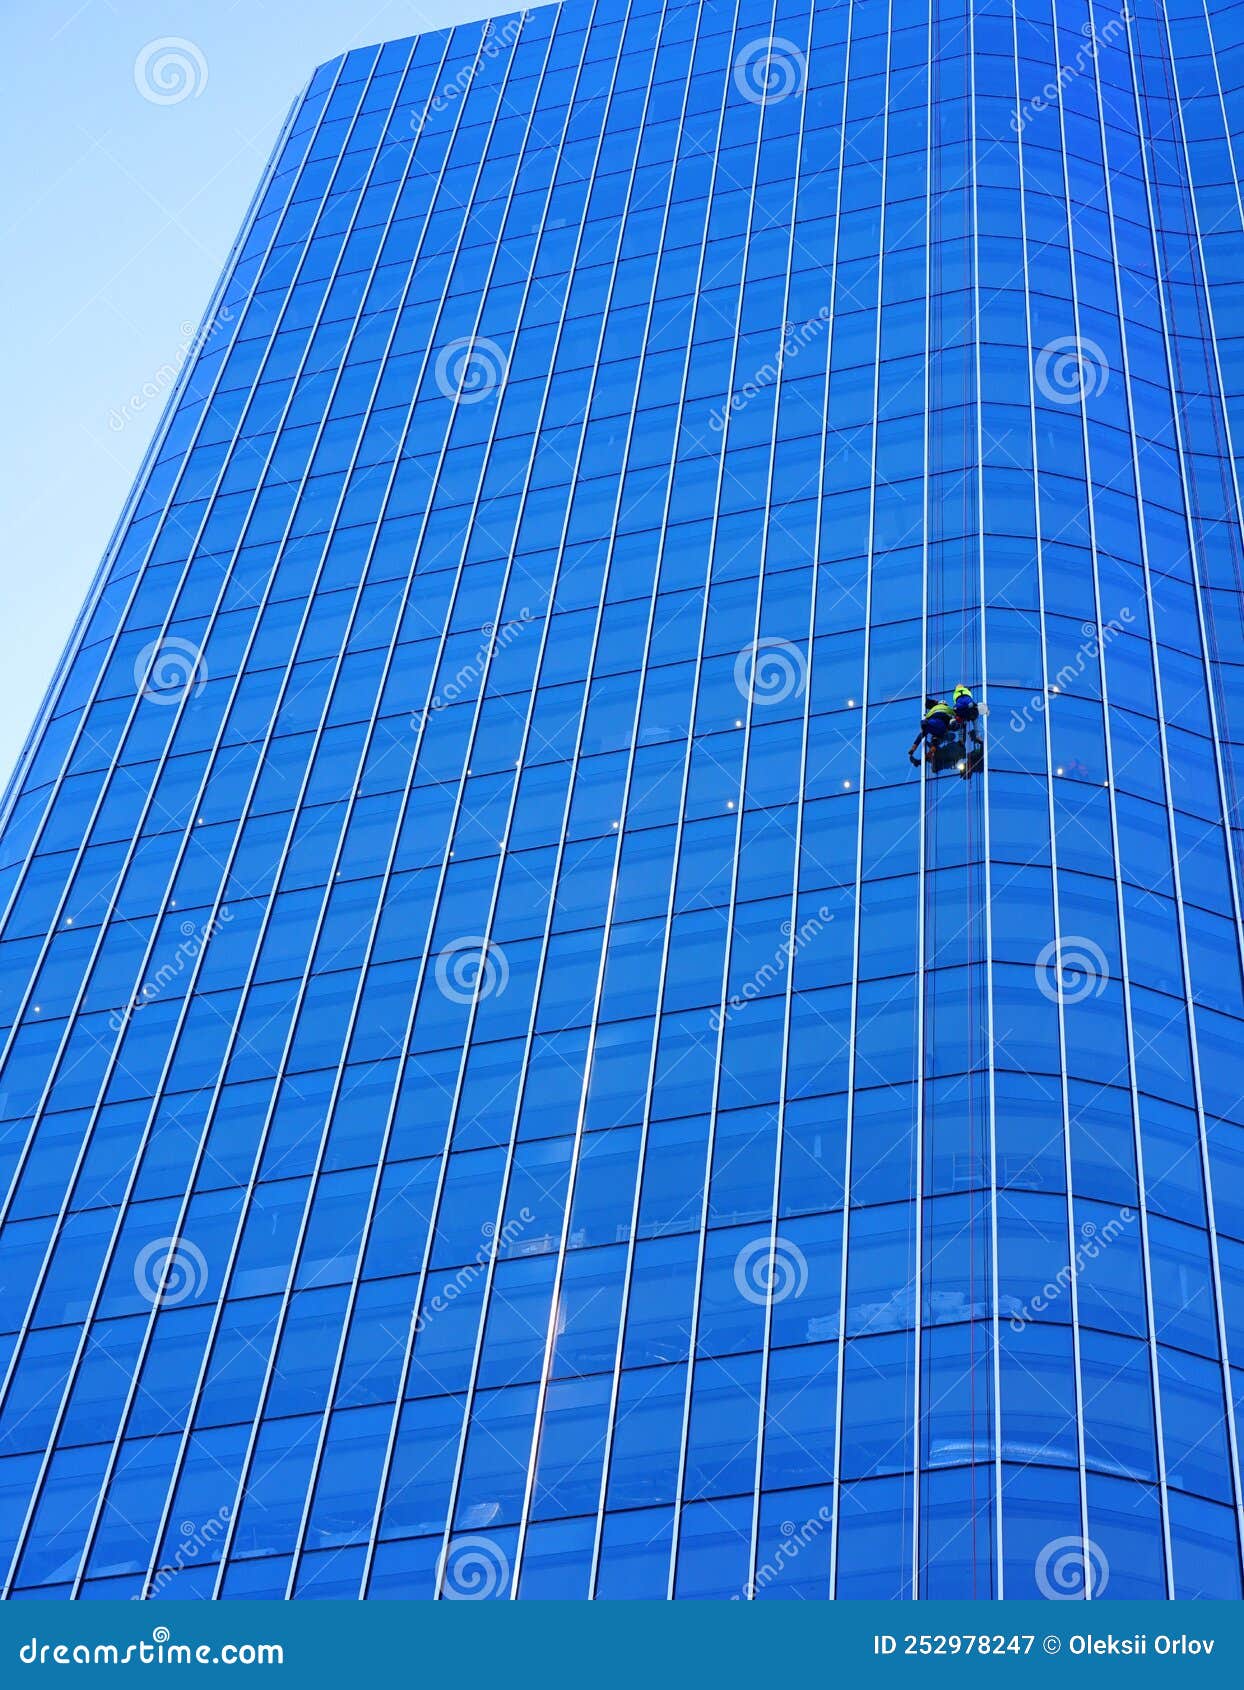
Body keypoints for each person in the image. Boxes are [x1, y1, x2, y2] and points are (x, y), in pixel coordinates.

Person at [908, 696, 956, 767]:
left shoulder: (933, 708)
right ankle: (926, 757)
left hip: (932, 723)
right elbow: (955, 715)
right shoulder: (948, 708)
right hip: (942, 728)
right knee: (935, 744)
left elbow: (927, 715)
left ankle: (913, 748)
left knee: (923, 732)